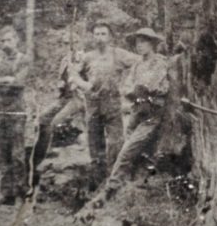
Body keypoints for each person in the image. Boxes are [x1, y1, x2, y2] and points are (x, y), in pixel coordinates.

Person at [102, 27, 169, 202]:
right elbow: (126, 87)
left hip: (153, 111)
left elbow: (150, 86)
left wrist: (139, 90)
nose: (140, 46)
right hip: (137, 109)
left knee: (128, 148)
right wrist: (134, 91)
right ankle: (139, 176)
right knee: (129, 141)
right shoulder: (138, 65)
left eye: (144, 42)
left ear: (152, 44)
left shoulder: (160, 63)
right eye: (138, 43)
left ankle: (112, 185)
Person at [70, 22, 138, 188]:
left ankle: (115, 180)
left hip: (112, 102)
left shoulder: (118, 54)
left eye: (103, 34)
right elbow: (73, 74)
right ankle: (97, 182)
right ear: (93, 37)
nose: (100, 38)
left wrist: (131, 84)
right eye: (97, 34)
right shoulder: (87, 56)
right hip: (92, 103)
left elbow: (140, 61)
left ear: (110, 37)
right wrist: (82, 84)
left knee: (116, 142)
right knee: (95, 143)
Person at [0, 26, 30, 205]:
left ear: (16, 40)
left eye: (9, 40)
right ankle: (6, 192)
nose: (5, 44)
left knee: (17, 153)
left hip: (16, 111)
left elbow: (18, 82)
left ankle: (21, 191)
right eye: (2, 41)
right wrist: (4, 80)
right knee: (1, 153)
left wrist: (0, 81)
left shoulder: (23, 59)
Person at [26, 53, 85, 190]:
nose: (71, 47)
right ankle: (39, 161)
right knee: (43, 119)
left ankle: (58, 152)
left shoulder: (85, 58)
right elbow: (61, 82)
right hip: (64, 98)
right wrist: (61, 85)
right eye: (67, 43)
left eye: (75, 42)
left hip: (79, 98)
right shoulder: (65, 59)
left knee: (56, 121)